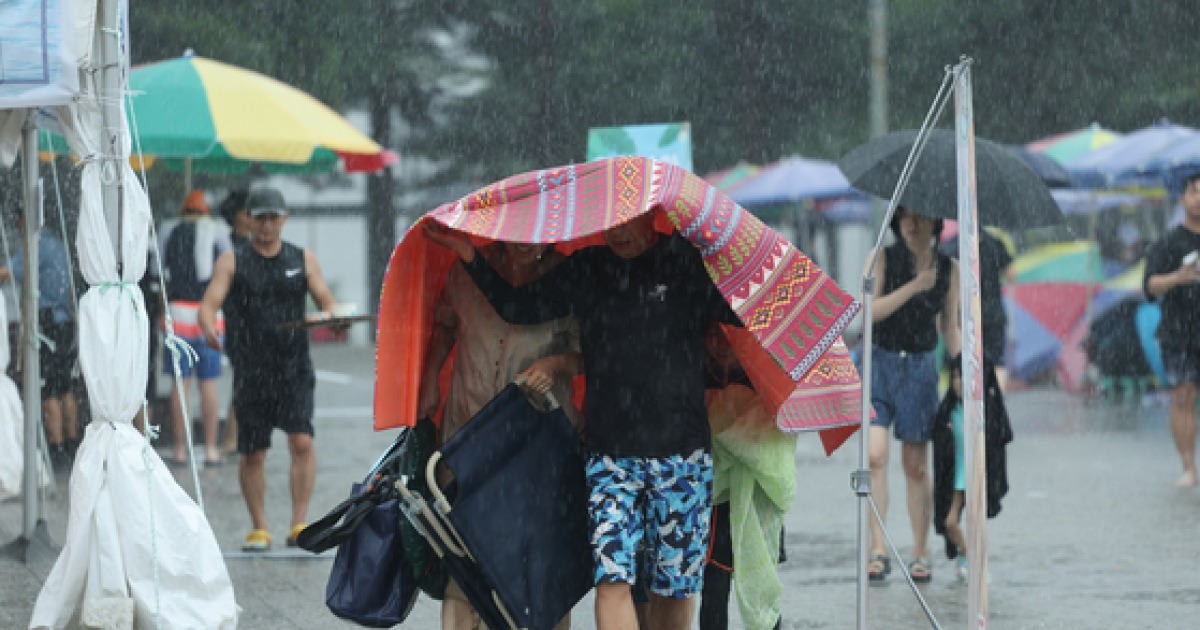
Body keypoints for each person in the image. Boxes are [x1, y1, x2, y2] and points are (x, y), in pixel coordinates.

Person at [425, 209, 742, 630]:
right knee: (612, 580)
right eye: (608, 220)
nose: (615, 230)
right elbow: (518, 305)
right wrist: (470, 255)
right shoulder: (589, 268)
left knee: (674, 590)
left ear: (652, 215)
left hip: (682, 457)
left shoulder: (683, 259)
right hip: (610, 457)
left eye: (626, 219)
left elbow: (741, 311)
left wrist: (724, 241)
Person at [418, 240, 583, 630]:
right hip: (467, 432)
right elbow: (444, 325)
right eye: (517, 233)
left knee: (541, 566)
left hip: (536, 443)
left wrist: (555, 363)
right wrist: (429, 380)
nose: (526, 244)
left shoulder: (568, 276)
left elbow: (587, 352)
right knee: (464, 559)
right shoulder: (466, 271)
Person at [199, 186, 341, 551]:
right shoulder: (232, 261)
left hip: (294, 367)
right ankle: (259, 526)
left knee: (302, 442)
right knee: (253, 451)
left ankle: (298, 522)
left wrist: (334, 316)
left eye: (272, 217)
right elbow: (208, 305)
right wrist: (208, 326)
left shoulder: (302, 259)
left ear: (284, 218)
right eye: (259, 217)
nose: (265, 224)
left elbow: (326, 299)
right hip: (252, 369)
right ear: (248, 218)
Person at [863, 206, 960, 584]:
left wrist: (964, 367)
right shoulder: (881, 257)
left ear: (936, 222)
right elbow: (867, 311)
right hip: (879, 365)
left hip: (920, 370)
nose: (911, 224)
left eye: (919, 216)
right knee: (874, 455)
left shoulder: (948, 270)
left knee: (916, 465)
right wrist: (913, 287)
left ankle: (921, 551)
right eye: (904, 216)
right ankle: (878, 548)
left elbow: (948, 327)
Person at [699, 324, 792, 630]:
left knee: (762, 575)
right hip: (715, 494)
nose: (723, 345)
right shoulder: (697, 371)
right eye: (715, 335)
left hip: (757, 489)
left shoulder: (764, 374)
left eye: (731, 336)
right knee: (715, 580)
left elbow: (774, 443)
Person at [154, 189, 233, 467]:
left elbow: (157, 269)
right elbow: (229, 267)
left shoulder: (168, 231)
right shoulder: (218, 231)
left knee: (180, 384)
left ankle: (179, 449)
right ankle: (210, 448)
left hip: (177, 313)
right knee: (208, 383)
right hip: (209, 314)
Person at [0, 206, 79, 470]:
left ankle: (55, 449)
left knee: (48, 389)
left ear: (25, 220)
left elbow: (8, 272)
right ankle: (71, 443)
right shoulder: (57, 243)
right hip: (65, 322)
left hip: (46, 322)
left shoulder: (36, 244)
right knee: (66, 386)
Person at [931, 356, 1012, 580]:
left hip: (977, 477)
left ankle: (980, 564)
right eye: (955, 377)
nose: (958, 383)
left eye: (963, 377)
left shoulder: (985, 411)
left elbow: (999, 438)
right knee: (949, 522)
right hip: (957, 476)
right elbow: (938, 437)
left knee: (977, 523)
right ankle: (967, 553)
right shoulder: (949, 411)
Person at [1144, 171, 1200, 487]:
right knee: (1183, 397)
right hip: (1178, 332)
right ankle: (1188, 465)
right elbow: (1149, 284)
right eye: (1194, 191)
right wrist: (1176, 278)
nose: (1199, 198)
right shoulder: (1168, 242)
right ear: (1183, 198)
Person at [941, 227, 1014, 389]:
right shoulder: (995, 244)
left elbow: (944, 279)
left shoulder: (954, 246)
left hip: (964, 314)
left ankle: (964, 405)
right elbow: (1011, 275)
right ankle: (996, 402)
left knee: (961, 362)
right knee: (996, 363)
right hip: (993, 314)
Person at [216, 188, 250, 455]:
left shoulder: (243, 246)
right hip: (238, 323)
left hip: (244, 322)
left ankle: (239, 437)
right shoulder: (231, 248)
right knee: (244, 382)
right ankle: (231, 439)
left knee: (246, 382)